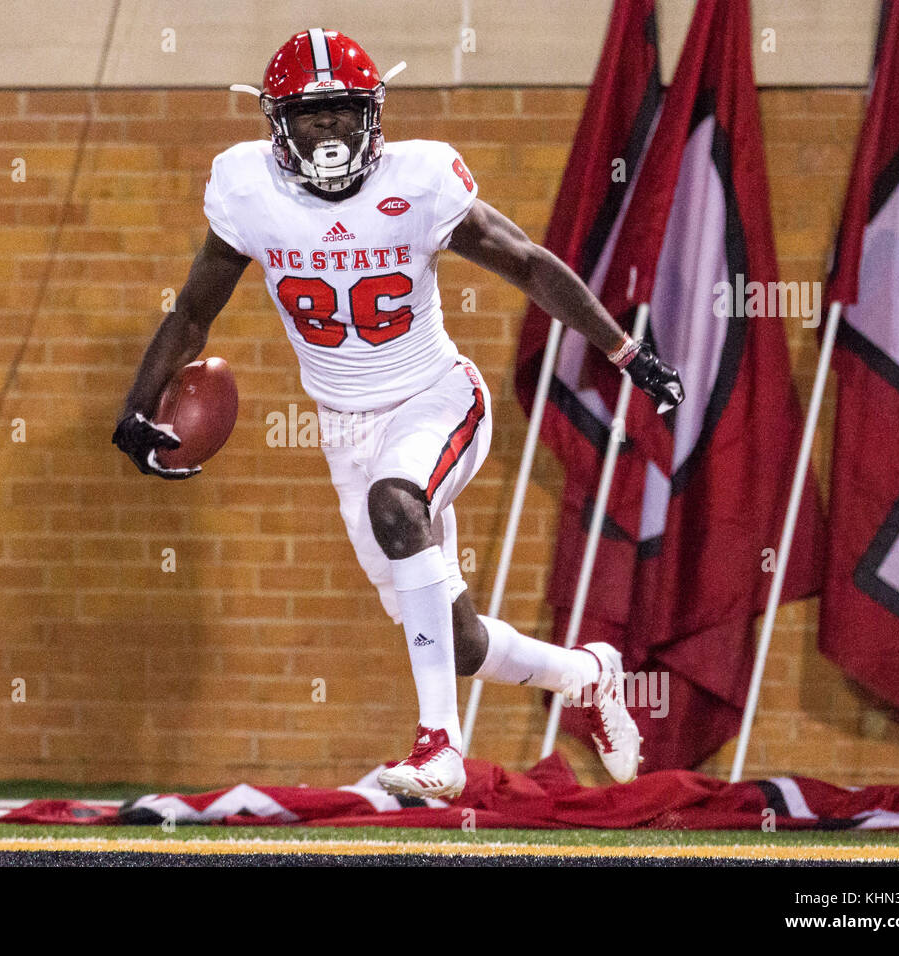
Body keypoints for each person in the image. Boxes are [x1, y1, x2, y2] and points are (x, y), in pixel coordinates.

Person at [113, 29, 683, 799]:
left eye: (346, 114)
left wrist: (624, 353)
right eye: (312, 117)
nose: (332, 132)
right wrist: (135, 409)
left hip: (436, 397)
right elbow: (192, 312)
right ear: (276, 123)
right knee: (460, 640)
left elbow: (527, 261)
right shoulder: (248, 191)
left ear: (374, 114)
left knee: (397, 503)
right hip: (346, 426)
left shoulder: (418, 179)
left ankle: (438, 748)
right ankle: (590, 675)